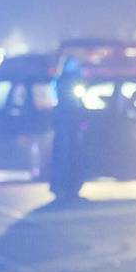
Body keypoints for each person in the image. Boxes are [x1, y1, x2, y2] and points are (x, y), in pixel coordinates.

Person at [48, 55, 86, 201]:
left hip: (71, 123)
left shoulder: (71, 81)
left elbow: (79, 103)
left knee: (73, 154)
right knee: (64, 153)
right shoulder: (62, 81)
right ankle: (62, 186)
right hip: (65, 124)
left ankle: (71, 186)